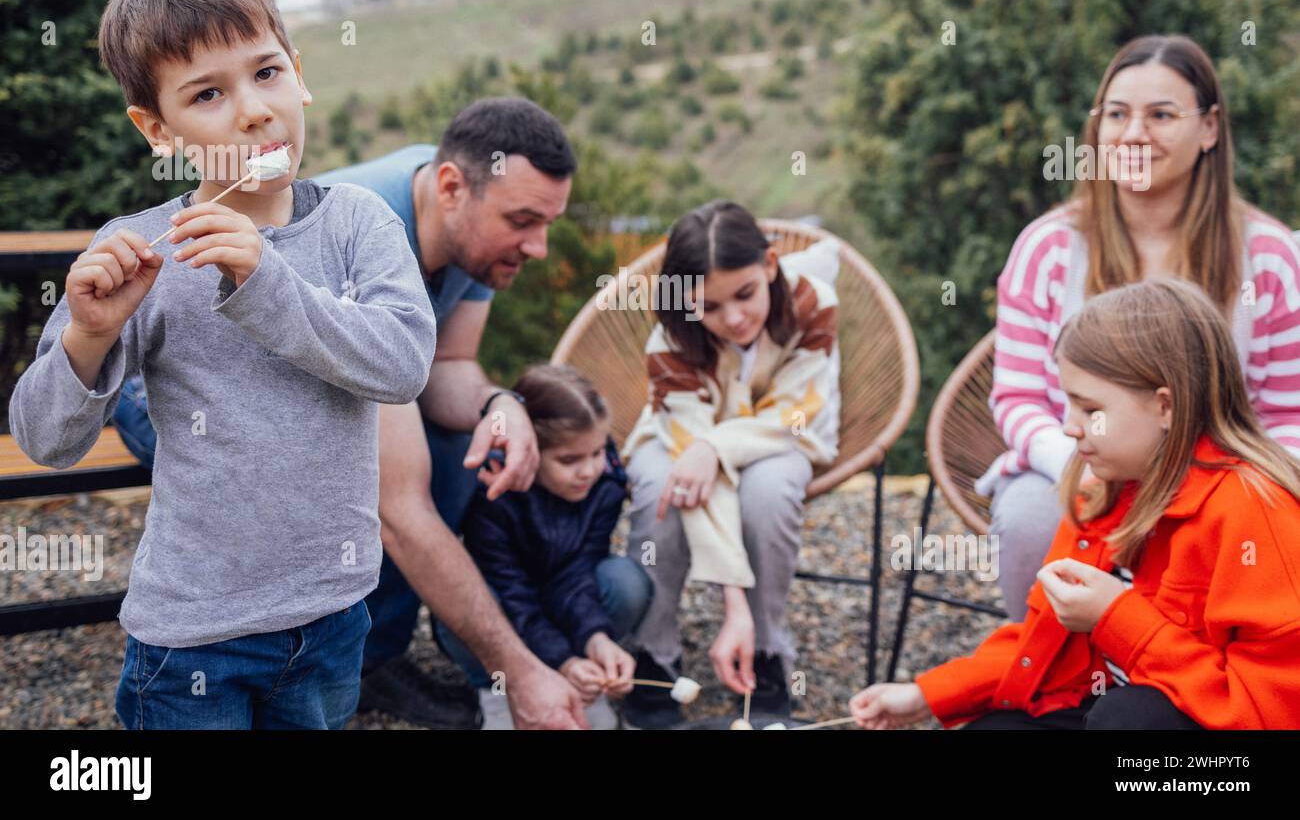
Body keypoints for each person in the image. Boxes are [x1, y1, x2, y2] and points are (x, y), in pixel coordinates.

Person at [9, 0, 439, 728]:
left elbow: (402, 364)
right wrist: (87, 337)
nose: (253, 110)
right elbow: (45, 439)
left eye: (267, 73)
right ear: (157, 128)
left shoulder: (355, 224)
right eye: (207, 93)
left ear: (300, 74)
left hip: (333, 614)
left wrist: (265, 281)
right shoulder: (144, 252)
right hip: (193, 639)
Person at [107, 96, 596, 729]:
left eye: (547, 223)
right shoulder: (368, 222)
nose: (538, 246)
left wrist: (501, 403)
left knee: (462, 448)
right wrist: (527, 678)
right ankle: (268, 650)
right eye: (525, 221)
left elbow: (448, 366)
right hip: (171, 390)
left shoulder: (474, 224)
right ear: (451, 187)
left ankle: (375, 653)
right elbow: (399, 504)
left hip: (324, 374)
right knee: (377, 483)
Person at [851, 279, 1300, 730]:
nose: (1069, 427)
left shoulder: (1253, 510)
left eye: (1090, 410)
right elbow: (1042, 641)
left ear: (1166, 406)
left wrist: (1115, 618)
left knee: (1129, 717)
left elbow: (1271, 713)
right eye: (1068, 405)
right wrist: (928, 695)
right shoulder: (1104, 488)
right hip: (1097, 705)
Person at [979, 34, 1300, 622]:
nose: (1133, 135)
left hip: (1221, 475)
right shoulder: (1048, 248)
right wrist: (1073, 465)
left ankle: (1200, 686)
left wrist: (1222, 486)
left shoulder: (1272, 258)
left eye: (1160, 115)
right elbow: (1019, 397)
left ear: (1209, 129)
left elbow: (1288, 415)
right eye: (1117, 115)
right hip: (1077, 464)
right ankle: (1046, 690)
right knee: (1028, 516)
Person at [620, 200, 840, 728]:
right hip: (677, 429)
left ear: (769, 265)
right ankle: (653, 652)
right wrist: (731, 599)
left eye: (744, 295)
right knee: (659, 488)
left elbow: (795, 412)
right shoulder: (669, 338)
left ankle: (766, 652)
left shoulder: (814, 305)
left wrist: (714, 448)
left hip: (782, 434)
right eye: (709, 307)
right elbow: (689, 451)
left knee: (768, 493)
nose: (734, 318)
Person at [437, 364, 652, 729]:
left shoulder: (606, 484)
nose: (588, 470)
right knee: (462, 604)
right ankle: (496, 690)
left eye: (598, 452)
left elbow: (579, 572)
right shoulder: (493, 495)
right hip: (507, 604)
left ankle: (581, 681)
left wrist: (594, 639)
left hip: (564, 603)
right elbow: (512, 590)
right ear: (529, 449)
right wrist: (565, 658)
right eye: (569, 460)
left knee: (626, 581)